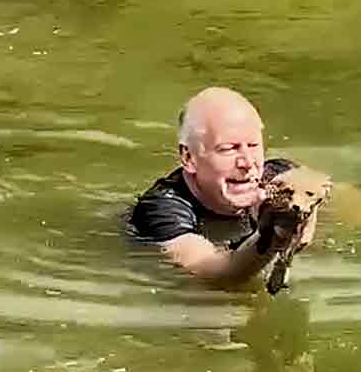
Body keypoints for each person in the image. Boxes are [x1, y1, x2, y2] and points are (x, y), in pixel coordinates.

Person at [125, 86, 319, 289]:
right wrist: (273, 235)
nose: (248, 163)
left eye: (253, 146)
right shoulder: (161, 209)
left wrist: (309, 209)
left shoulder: (279, 178)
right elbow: (215, 273)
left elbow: (334, 196)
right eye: (228, 149)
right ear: (189, 157)